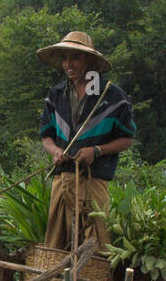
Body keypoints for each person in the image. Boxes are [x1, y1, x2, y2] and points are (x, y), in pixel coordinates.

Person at [36, 31, 135, 251]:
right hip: (62, 181)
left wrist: (96, 150)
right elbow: (46, 136)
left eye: (75, 58)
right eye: (64, 58)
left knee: (97, 242)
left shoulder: (112, 97)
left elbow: (127, 139)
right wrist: (54, 151)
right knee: (56, 244)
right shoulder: (56, 95)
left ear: (89, 60)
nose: (68, 64)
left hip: (94, 181)